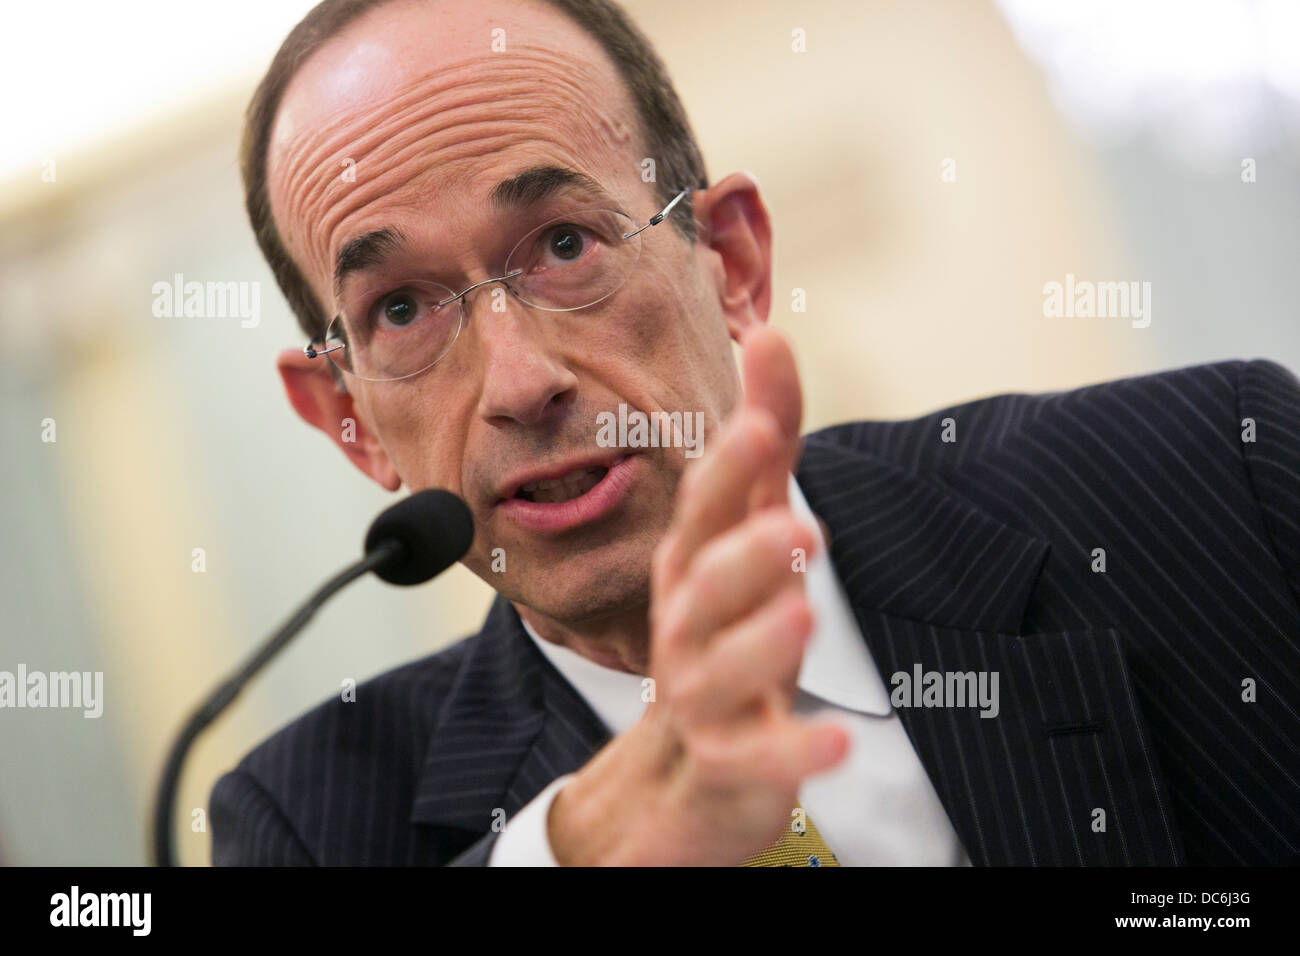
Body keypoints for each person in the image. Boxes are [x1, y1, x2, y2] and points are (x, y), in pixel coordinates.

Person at [210, 0, 1300, 866]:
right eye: (400, 308)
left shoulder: (1217, 481)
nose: (520, 380)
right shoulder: (308, 821)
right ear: (352, 421)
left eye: (563, 244)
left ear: (729, 264)